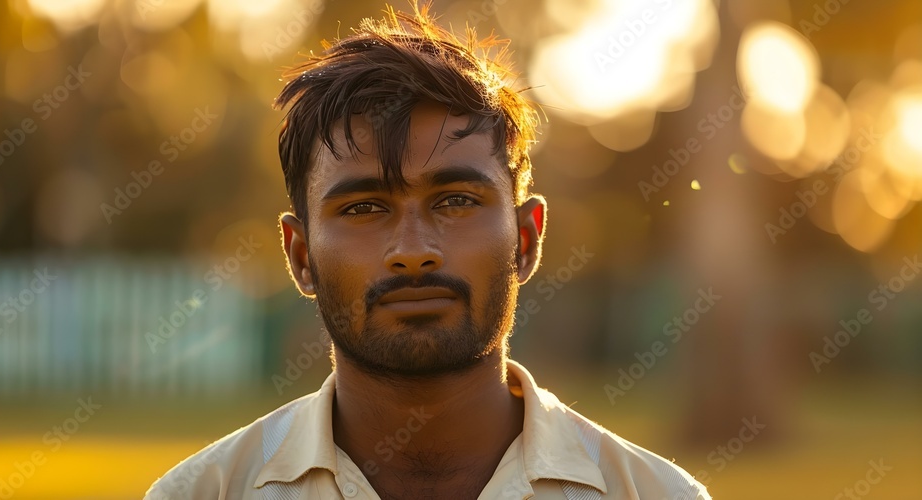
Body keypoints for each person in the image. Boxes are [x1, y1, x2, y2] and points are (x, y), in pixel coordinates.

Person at [146, 3, 711, 499]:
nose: (413, 251)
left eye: (456, 200)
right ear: (300, 256)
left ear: (527, 239)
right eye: (364, 207)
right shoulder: (203, 494)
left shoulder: (655, 495)